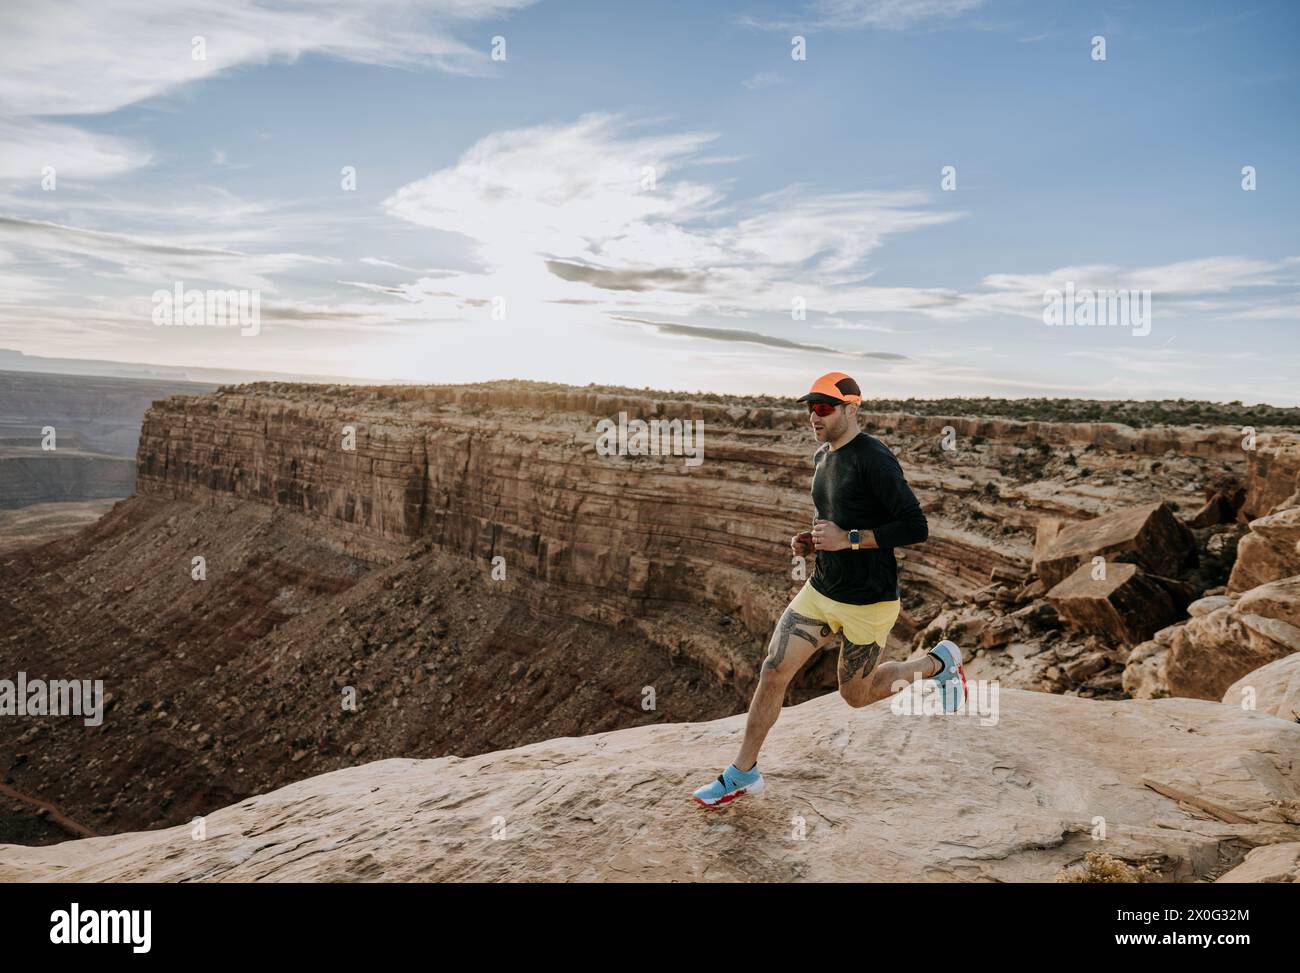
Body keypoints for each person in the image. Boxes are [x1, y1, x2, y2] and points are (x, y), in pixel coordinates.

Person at [692, 371, 965, 808]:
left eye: (823, 408)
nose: (813, 416)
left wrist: (850, 539)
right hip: (822, 590)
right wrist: (810, 539)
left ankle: (938, 663)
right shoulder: (823, 456)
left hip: (868, 601)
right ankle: (742, 773)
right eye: (809, 408)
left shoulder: (875, 458)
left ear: (851, 408)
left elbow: (916, 527)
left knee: (856, 696)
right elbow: (833, 515)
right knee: (773, 670)